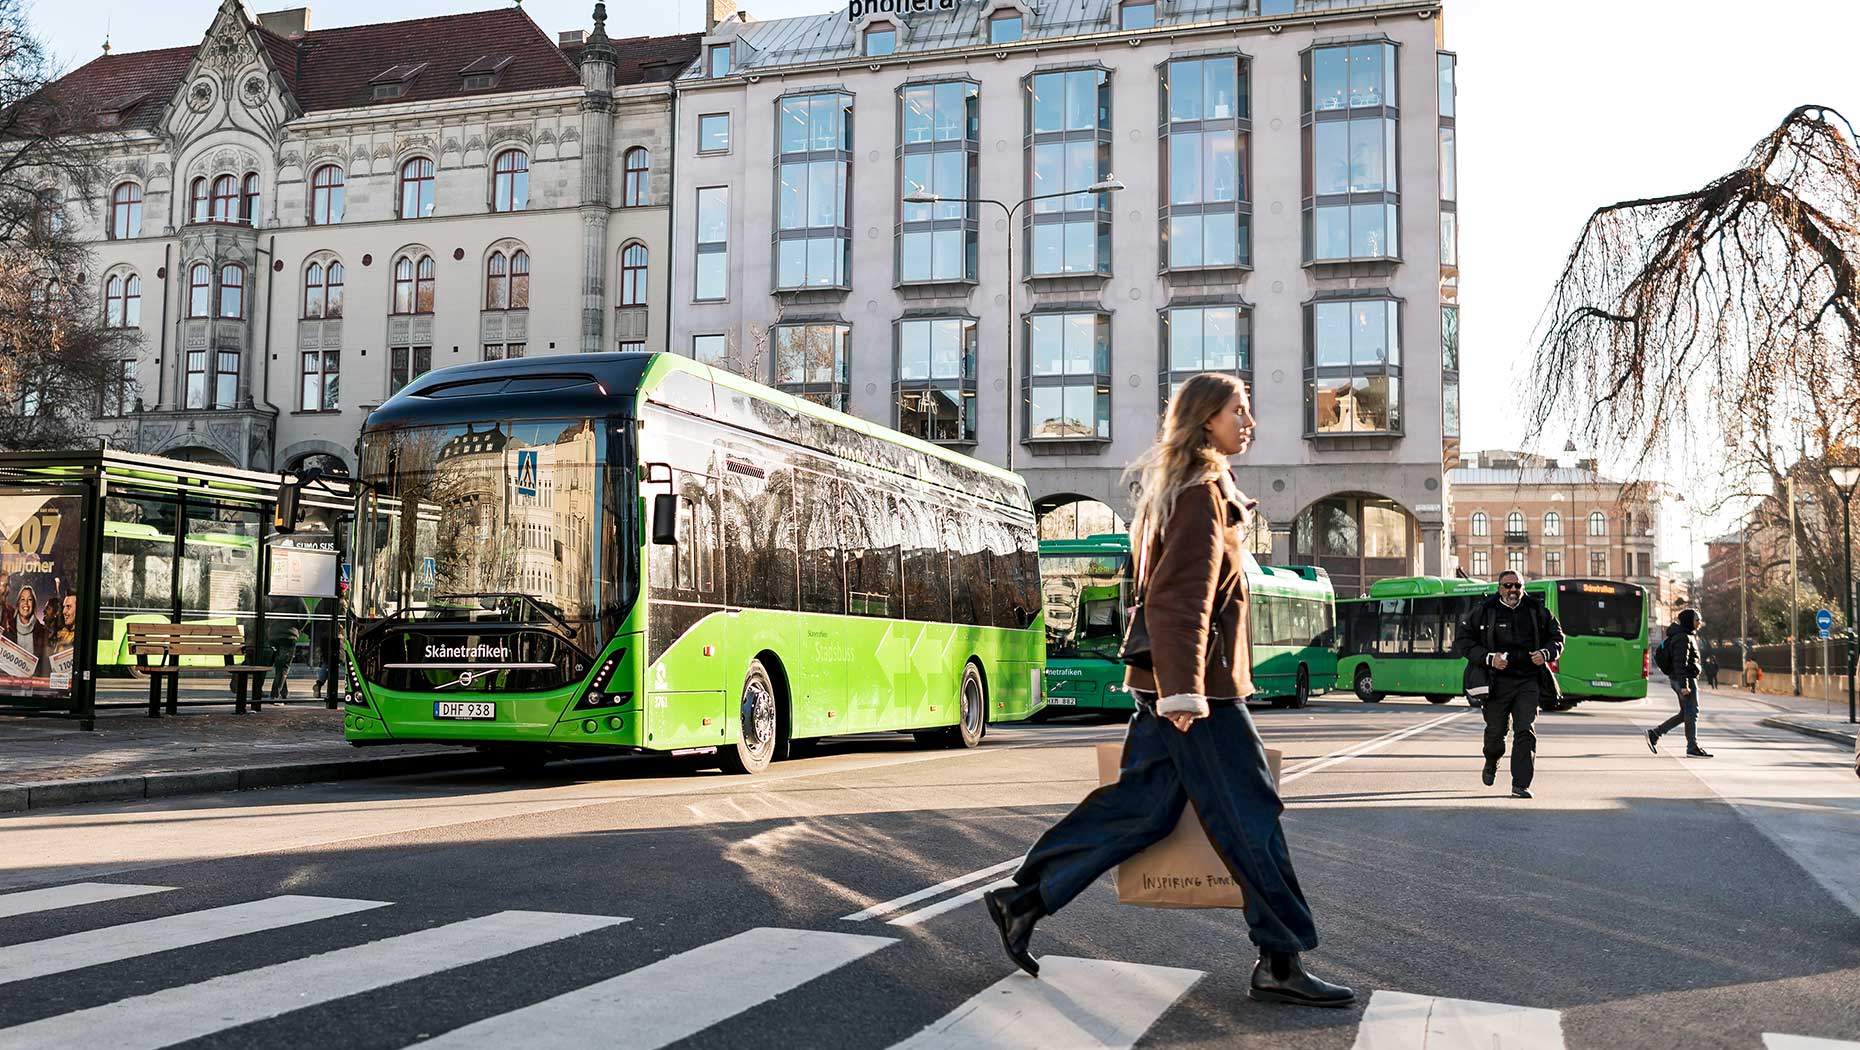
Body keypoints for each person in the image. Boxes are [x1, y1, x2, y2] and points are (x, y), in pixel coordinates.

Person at [981, 373, 1354, 1010]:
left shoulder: (1183, 491)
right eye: (1240, 409)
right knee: (1252, 817)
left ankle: (1024, 900)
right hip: (1197, 692)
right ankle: (1281, 957)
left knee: (1143, 809)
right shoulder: (1204, 493)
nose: (1250, 420)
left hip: (1173, 686)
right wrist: (1184, 693)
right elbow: (1182, 600)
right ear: (1207, 419)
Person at [1453, 569, 1565, 799]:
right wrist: (1489, 658)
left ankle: (1520, 784)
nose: (1513, 590)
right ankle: (1491, 760)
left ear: (1523, 587)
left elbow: (1558, 638)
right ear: (1499, 588)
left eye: (1517, 585)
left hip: (1528, 680)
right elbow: (1463, 641)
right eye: (1508, 586)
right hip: (1496, 682)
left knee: (1525, 729)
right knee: (1496, 731)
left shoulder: (1537, 610)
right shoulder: (1484, 611)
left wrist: (1546, 653)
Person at [1647, 610, 1712, 757]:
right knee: (1692, 712)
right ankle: (1692, 747)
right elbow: (1679, 663)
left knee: (1685, 714)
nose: (1699, 622)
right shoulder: (1683, 638)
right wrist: (1684, 685)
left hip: (1681, 679)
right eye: (1697, 620)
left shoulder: (1683, 635)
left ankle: (1655, 734)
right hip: (1685, 679)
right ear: (1689, 620)